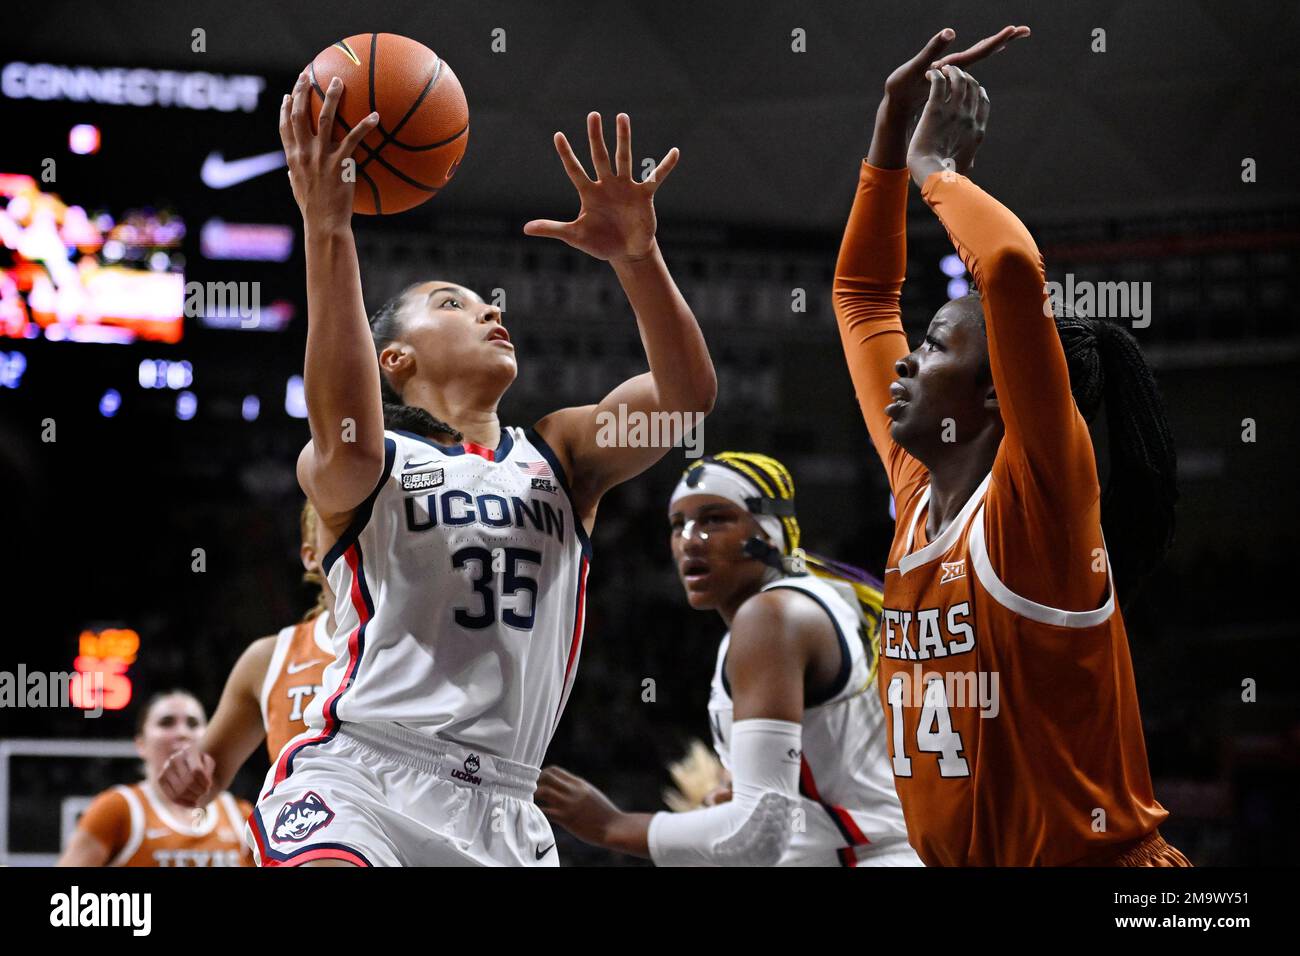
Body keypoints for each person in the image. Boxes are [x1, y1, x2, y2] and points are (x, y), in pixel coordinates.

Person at [245, 73, 716, 866]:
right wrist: (328, 226)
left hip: (504, 805)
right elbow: (347, 425)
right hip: (362, 780)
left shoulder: (560, 453)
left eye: (487, 303)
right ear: (394, 358)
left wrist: (639, 257)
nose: (493, 311)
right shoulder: (368, 463)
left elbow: (685, 404)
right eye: (454, 305)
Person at [832, 27, 1188, 865]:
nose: (909, 355)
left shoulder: (1040, 504)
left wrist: (936, 171)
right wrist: (886, 134)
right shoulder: (917, 489)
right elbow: (860, 298)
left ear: (999, 392)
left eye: (940, 345)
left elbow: (1011, 271)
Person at [538, 452, 920, 866]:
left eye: (714, 519)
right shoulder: (819, 599)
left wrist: (611, 825)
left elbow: (758, 836)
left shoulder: (770, 617)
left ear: (768, 532)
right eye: (678, 525)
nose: (690, 539)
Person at [158, 501, 334, 809]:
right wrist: (184, 776)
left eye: (366, 524)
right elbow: (202, 783)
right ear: (310, 554)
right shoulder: (269, 659)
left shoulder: (431, 644)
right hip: (306, 842)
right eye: (338, 525)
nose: (355, 537)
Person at [57, 690, 252, 867]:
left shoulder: (240, 815)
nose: (182, 733)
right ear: (141, 744)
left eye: (193, 723)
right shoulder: (117, 809)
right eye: (167, 722)